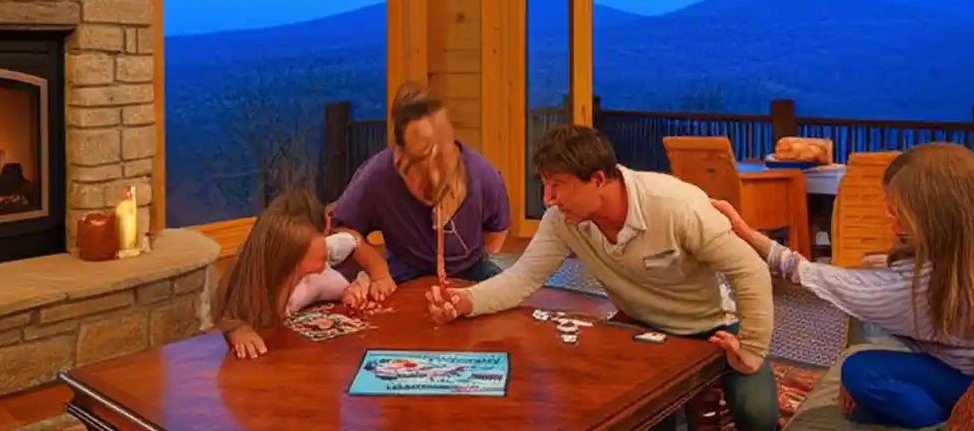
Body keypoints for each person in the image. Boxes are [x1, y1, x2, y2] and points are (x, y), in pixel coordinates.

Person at [424, 124, 780, 431]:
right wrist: (465, 302)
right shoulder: (563, 220)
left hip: (713, 327)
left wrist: (751, 349)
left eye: (557, 186)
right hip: (637, 327)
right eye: (544, 185)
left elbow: (748, 268)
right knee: (631, 411)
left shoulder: (677, 206)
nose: (548, 200)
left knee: (758, 413)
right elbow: (522, 279)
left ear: (597, 179)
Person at [711, 141, 974, 429]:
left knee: (860, 370)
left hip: (965, 383)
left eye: (898, 212)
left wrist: (747, 234)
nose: (889, 218)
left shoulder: (919, 287)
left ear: (935, 220)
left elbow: (811, 275)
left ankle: (941, 423)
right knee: (868, 361)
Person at [331, 83, 511, 286]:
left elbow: (496, 234)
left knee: (507, 293)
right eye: (422, 157)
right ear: (400, 156)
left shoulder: (482, 174)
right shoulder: (376, 177)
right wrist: (377, 270)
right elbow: (342, 229)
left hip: (471, 267)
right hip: (405, 269)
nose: (435, 174)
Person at [213, 188, 391, 360]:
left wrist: (377, 277)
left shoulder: (322, 247)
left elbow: (354, 241)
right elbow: (228, 314)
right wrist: (238, 331)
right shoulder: (254, 286)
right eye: (319, 260)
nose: (322, 267)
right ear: (288, 260)